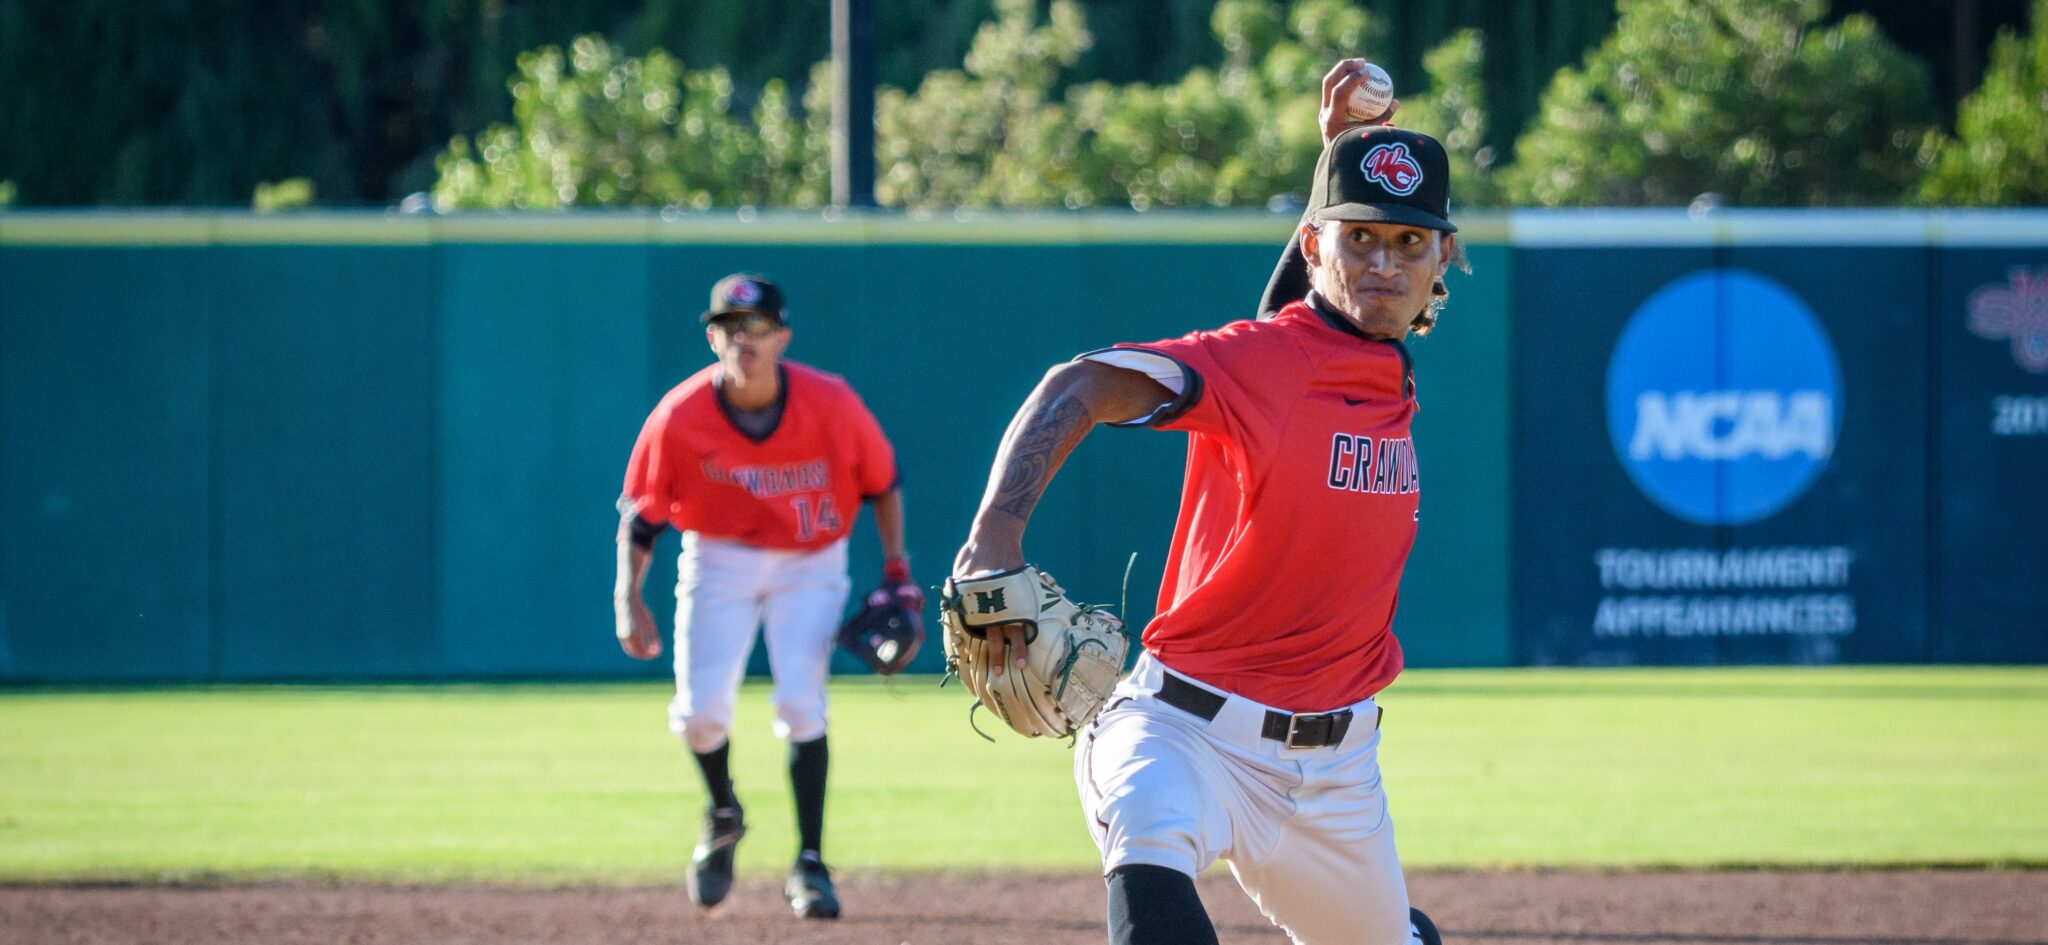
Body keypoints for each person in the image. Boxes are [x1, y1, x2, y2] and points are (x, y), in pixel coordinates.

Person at [948, 86, 1463, 945]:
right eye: (1358, 237)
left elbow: (1310, 341)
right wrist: (991, 538)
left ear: (1443, 256)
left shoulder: (1379, 364)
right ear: (1314, 244)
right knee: (1153, 873)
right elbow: (1079, 386)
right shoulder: (1261, 360)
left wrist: (1336, 156)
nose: (1383, 263)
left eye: (1408, 242)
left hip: (1337, 772)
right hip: (1182, 731)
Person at [614, 272, 917, 921]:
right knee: (699, 714)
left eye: (755, 328)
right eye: (728, 327)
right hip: (718, 557)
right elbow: (643, 514)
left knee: (800, 703)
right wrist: (627, 595)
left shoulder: (831, 401)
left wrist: (898, 570)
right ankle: (724, 813)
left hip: (810, 561)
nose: (742, 339)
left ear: (781, 336)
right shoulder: (681, 413)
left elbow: (883, 482)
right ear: (712, 336)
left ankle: (810, 860)